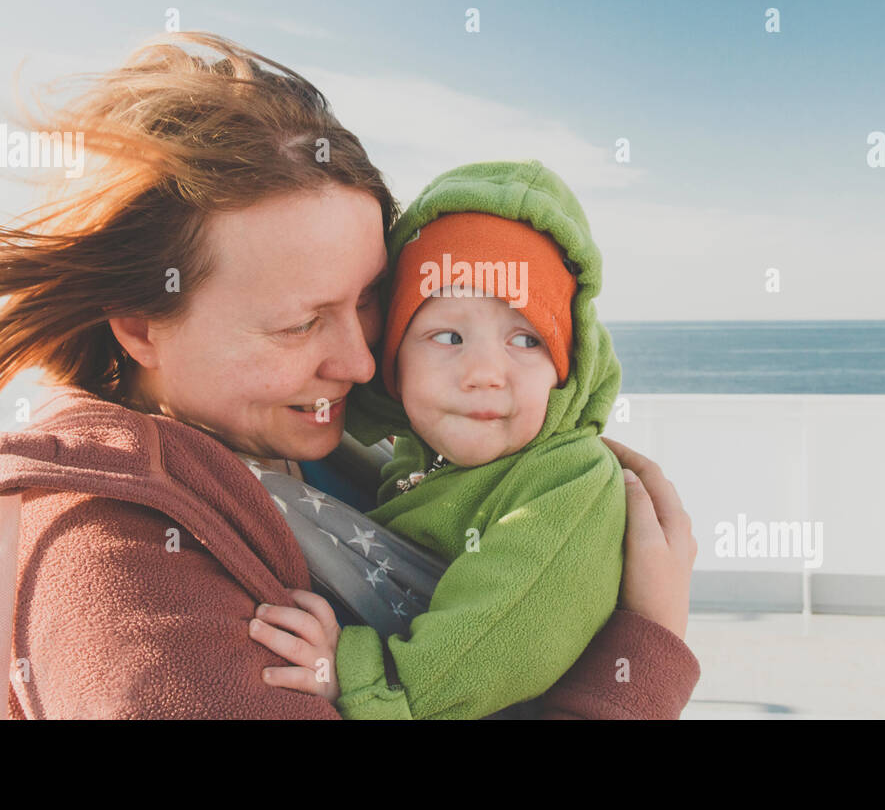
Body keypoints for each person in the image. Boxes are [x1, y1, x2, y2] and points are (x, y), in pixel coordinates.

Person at [0, 31, 700, 719]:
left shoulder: (328, 449)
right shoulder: (103, 560)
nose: (360, 362)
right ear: (140, 323)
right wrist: (648, 650)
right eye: (299, 323)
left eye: (368, 302)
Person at [248, 160, 633, 720]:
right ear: (394, 359)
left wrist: (360, 675)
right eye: (448, 335)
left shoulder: (570, 479)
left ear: (565, 370)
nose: (484, 372)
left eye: (526, 340)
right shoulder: (413, 454)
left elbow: (504, 633)